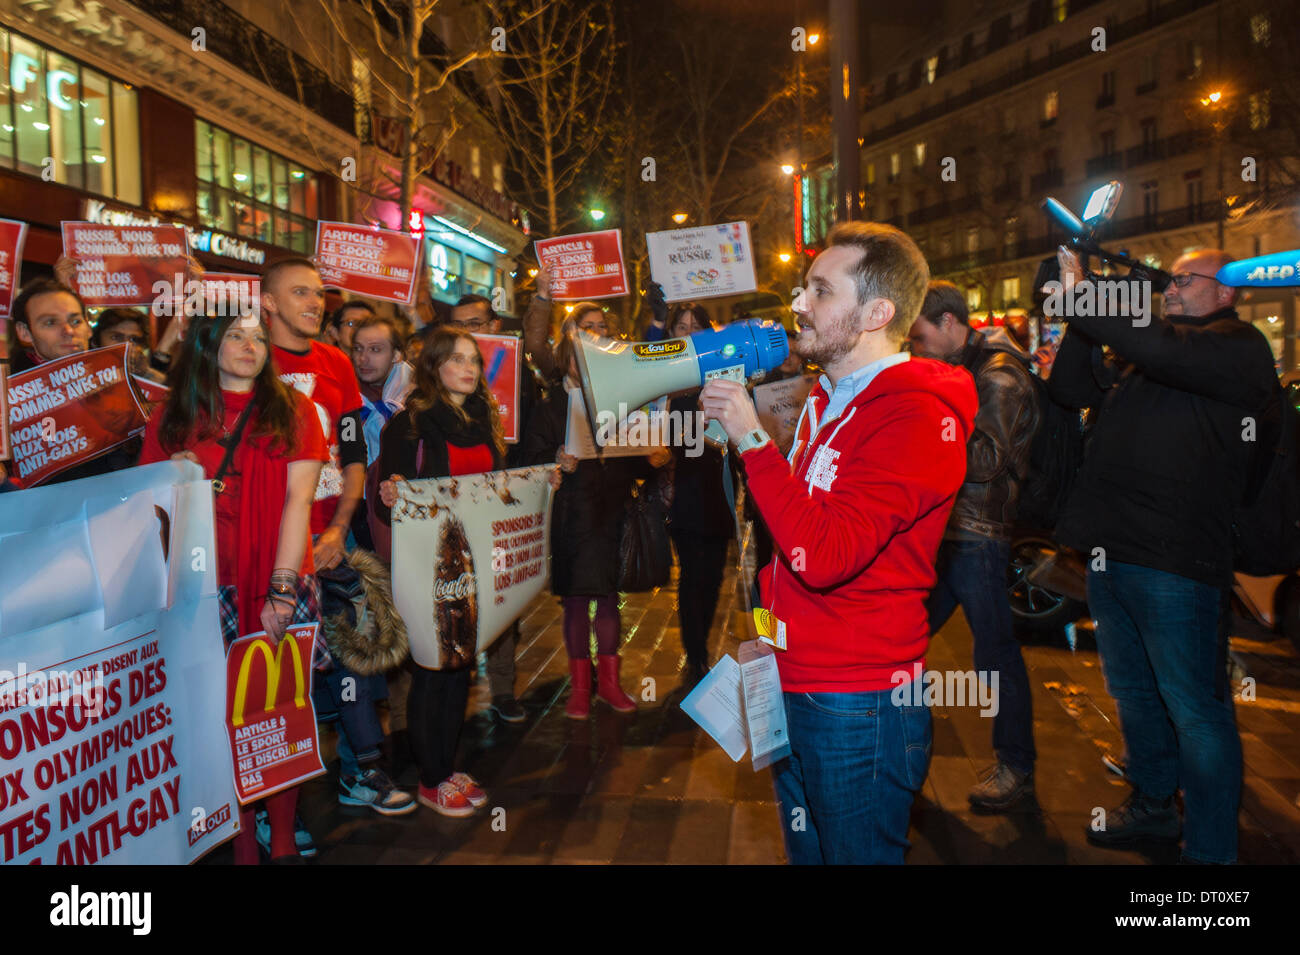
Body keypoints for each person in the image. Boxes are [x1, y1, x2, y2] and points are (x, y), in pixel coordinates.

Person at [700, 221, 977, 864]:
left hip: (858, 701)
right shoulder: (830, 397)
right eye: (804, 289)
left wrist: (751, 441)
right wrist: (768, 630)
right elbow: (793, 533)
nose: (798, 304)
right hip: (796, 675)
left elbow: (824, 557)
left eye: (820, 291)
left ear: (877, 313)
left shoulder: (916, 415)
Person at [1047, 247, 1277, 864]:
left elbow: (1160, 348)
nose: (1168, 290)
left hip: (1176, 561)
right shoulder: (1150, 352)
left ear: (1225, 291)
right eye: (1167, 280)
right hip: (1111, 552)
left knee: (1196, 709)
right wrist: (1084, 308)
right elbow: (1069, 387)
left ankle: (1211, 856)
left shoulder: (1238, 346)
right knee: (1135, 693)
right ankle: (1151, 808)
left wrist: (1088, 297)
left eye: (1181, 279)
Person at [138, 309, 328, 863]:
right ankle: (244, 844)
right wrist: (169, 479)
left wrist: (283, 590)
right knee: (224, 719)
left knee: (281, 713)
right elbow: (149, 516)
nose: (251, 345)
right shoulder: (172, 417)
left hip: (277, 576)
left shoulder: (294, 410)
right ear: (208, 345)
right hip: (204, 587)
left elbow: (299, 504)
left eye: (259, 337)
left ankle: (286, 840)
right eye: (236, 336)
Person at [263, 257, 414, 817]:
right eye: (299, 291)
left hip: (333, 538)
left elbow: (353, 456)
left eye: (319, 292)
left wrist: (336, 529)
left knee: (353, 655)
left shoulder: (336, 363)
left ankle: (361, 769)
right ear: (268, 302)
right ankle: (278, 806)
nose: (314, 301)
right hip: (270, 543)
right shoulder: (248, 358)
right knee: (282, 672)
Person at [372, 327, 526, 815]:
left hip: (474, 565)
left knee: (460, 670)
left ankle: (448, 765)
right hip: (428, 566)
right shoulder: (409, 425)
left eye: (474, 361)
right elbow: (387, 504)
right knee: (432, 671)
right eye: (456, 359)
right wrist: (392, 493)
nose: (468, 368)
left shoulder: (484, 421)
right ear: (434, 366)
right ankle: (431, 777)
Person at [908, 280, 1041, 811]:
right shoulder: (961, 367)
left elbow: (985, 461)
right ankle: (906, 754)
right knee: (906, 639)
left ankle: (1017, 765)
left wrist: (927, 420)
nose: (913, 346)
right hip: (947, 531)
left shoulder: (1000, 377)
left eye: (918, 336)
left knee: (995, 654)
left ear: (947, 324)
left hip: (978, 535)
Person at [524, 309, 670, 718]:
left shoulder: (623, 401)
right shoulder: (550, 405)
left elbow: (635, 460)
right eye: (577, 355)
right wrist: (555, 460)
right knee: (574, 603)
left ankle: (609, 684)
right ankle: (579, 688)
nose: (583, 363)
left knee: (608, 600)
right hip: (572, 517)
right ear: (566, 359)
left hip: (612, 514)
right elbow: (531, 458)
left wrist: (653, 459)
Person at [440, 280, 557, 723]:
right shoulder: (438, 371)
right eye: (458, 326)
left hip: (505, 497)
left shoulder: (518, 370)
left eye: (476, 324)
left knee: (503, 595)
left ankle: (504, 688)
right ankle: (457, 677)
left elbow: (535, 427)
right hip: (455, 499)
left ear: (492, 325)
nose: (469, 331)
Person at [8, 278, 141, 483]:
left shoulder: (117, 378)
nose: (69, 331)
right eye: (51, 322)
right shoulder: (10, 398)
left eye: (76, 321)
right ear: (24, 332)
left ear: (88, 328)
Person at [662, 303, 734, 684]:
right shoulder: (665, 381)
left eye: (696, 327)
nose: (687, 333)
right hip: (685, 491)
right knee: (692, 575)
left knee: (714, 577)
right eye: (681, 326)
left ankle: (701, 640)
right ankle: (696, 653)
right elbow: (671, 440)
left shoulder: (722, 375)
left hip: (718, 490)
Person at [351, 315, 414, 549]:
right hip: (361, 512)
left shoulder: (419, 397)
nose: (363, 358)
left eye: (376, 349)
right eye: (358, 349)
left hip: (409, 514)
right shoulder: (344, 396)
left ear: (397, 355)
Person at [91, 307, 166, 382]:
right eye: (116, 337)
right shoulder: (83, 382)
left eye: (134, 340)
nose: (126, 346)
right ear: (96, 342)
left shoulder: (158, 383)